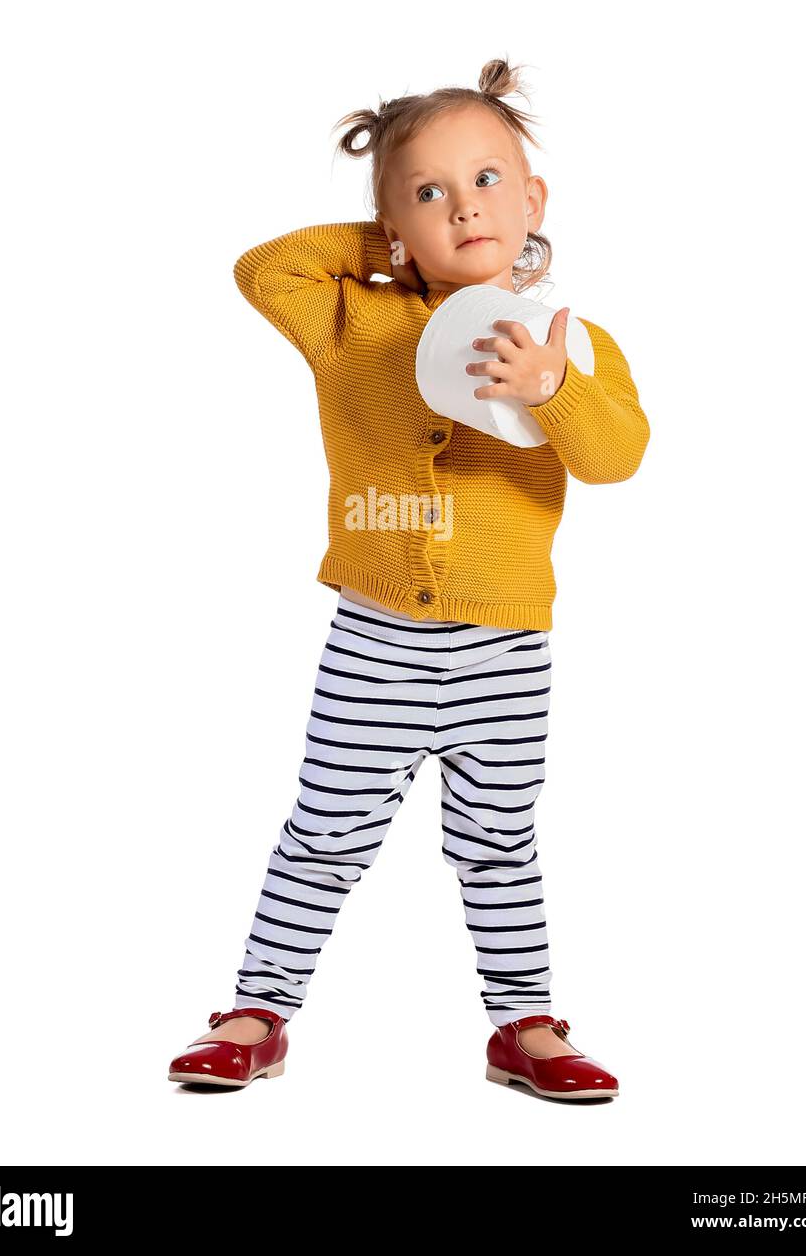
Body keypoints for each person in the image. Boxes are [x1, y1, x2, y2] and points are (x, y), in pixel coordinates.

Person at [168, 58, 649, 1099]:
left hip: (505, 647)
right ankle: (258, 1009)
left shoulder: (567, 339)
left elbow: (618, 455)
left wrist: (555, 386)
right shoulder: (355, 324)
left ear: (535, 201)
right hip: (376, 640)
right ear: (393, 225)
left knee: (500, 844)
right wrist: (391, 247)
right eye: (430, 192)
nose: (464, 205)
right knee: (323, 831)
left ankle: (525, 1022)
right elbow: (264, 270)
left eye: (487, 181)